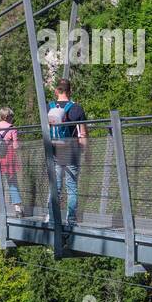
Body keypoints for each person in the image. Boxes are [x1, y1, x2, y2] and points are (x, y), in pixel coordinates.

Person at [47, 78, 87, 238]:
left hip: (54, 150)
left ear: (57, 91)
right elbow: (82, 133)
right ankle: (71, 220)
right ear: (70, 91)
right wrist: (85, 151)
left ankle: (51, 219)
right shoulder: (77, 108)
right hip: (71, 151)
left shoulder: (48, 107)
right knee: (71, 187)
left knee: (55, 187)